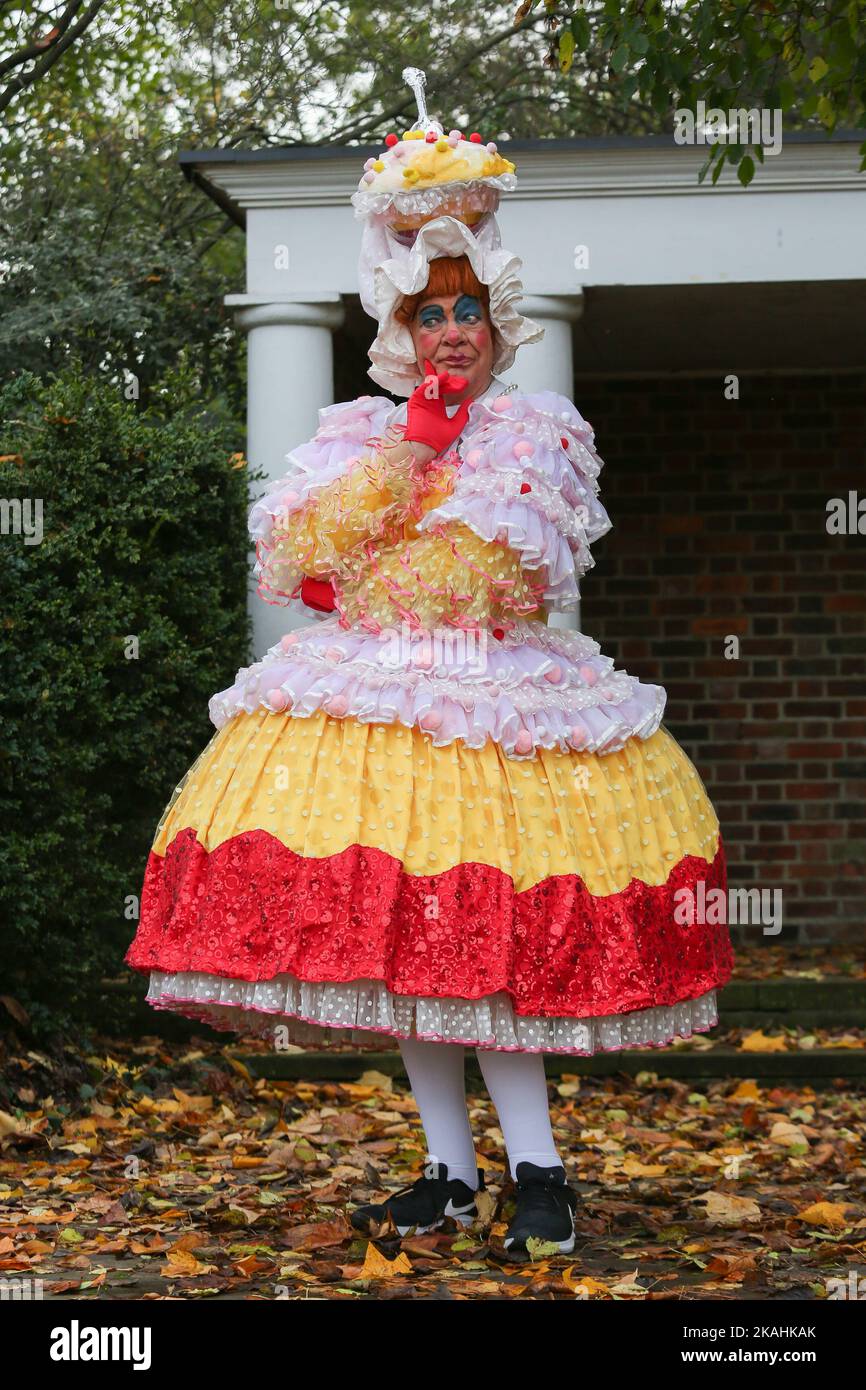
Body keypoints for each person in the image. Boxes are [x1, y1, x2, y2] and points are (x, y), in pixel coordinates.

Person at [125, 74, 734, 1260]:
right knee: (407, 952)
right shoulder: (355, 432)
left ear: (498, 326)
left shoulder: (539, 429)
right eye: (427, 316)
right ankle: (448, 1173)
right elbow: (301, 557)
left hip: (495, 701)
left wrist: (444, 463)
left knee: (486, 947)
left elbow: (513, 570)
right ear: (393, 331)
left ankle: (542, 1172)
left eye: (467, 315)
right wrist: (409, 449)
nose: (450, 333)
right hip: (368, 704)